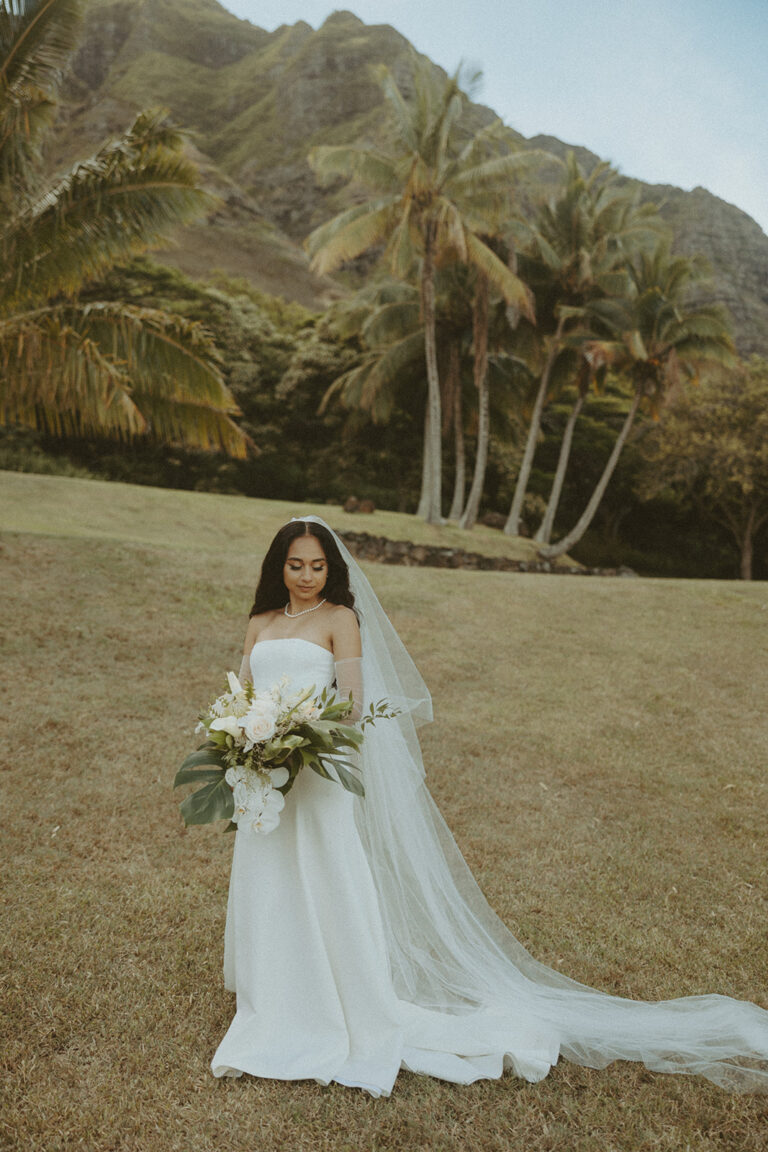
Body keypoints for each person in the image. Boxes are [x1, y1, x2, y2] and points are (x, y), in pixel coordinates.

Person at [211, 517, 768, 1097]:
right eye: (296, 564)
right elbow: (240, 695)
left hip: (320, 773)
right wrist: (247, 740)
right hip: (268, 780)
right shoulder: (261, 622)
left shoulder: (340, 619)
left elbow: (351, 705)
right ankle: (280, 992)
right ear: (279, 565)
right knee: (272, 878)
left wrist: (297, 728)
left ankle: (340, 999)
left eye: (318, 565)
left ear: (333, 568)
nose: (306, 576)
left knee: (329, 878)